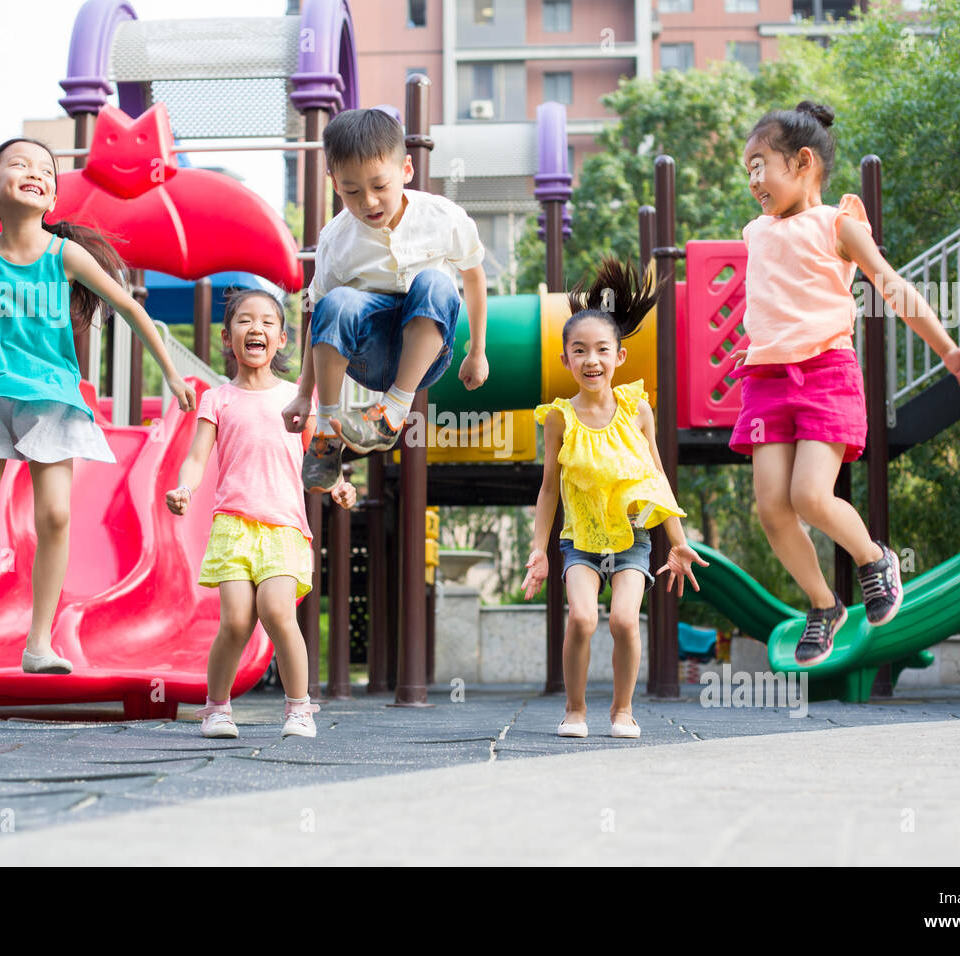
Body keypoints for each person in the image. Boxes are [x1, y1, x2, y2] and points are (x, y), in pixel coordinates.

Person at [0, 137, 195, 682]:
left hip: (51, 396)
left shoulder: (63, 255)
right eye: (20, 165)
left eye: (46, 170)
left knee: (54, 515)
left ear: (52, 195)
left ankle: (39, 642)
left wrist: (170, 372)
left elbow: (126, 305)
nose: (37, 173)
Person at [730, 101, 960, 666]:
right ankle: (824, 605)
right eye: (746, 170)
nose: (753, 181)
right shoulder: (756, 232)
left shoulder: (837, 223)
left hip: (825, 373)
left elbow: (890, 285)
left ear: (802, 162)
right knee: (772, 507)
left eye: (759, 165)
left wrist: (947, 349)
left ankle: (874, 559)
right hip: (767, 379)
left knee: (810, 496)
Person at [521, 258, 708, 739]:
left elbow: (657, 475)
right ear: (565, 360)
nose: (591, 360)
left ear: (619, 357)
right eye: (579, 351)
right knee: (582, 618)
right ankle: (576, 710)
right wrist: (538, 550)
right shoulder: (560, 418)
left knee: (624, 620)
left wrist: (679, 540)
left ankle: (622, 712)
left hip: (633, 540)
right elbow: (547, 488)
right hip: (579, 540)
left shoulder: (636, 409)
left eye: (602, 350)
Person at [167, 289, 356, 739]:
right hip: (232, 524)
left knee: (276, 611)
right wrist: (184, 488)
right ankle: (216, 708)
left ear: (283, 338)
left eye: (268, 322)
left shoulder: (297, 398)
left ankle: (298, 708)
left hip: (285, 526)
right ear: (227, 338)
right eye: (245, 321)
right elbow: (197, 456)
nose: (257, 329)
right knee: (234, 620)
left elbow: (322, 457)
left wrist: (341, 485)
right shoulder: (218, 399)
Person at [280, 107, 489, 489]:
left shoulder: (441, 216)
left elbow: (474, 277)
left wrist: (477, 352)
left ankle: (392, 412)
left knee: (437, 284)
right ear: (333, 183)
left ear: (406, 170)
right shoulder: (336, 238)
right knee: (334, 301)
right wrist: (302, 396)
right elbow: (319, 318)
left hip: (425, 355)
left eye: (380, 186)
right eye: (352, 191)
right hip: (365, 353)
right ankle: (326, 433)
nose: (369, 203)